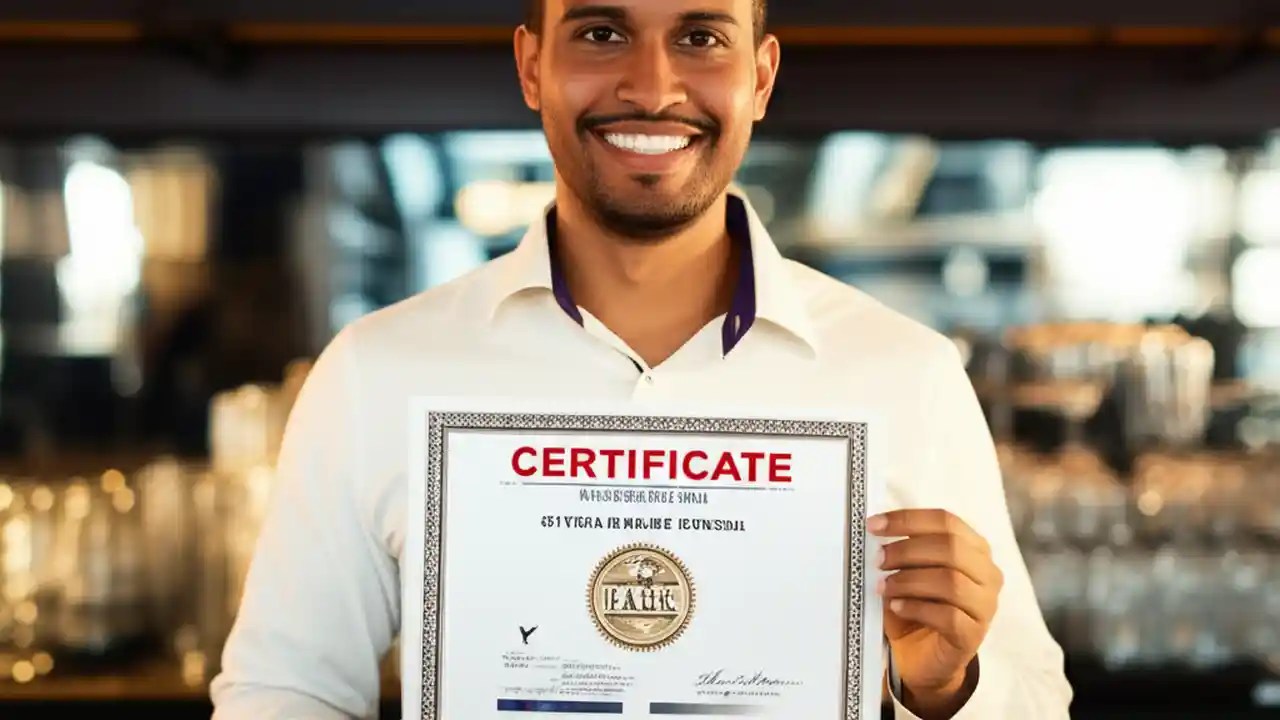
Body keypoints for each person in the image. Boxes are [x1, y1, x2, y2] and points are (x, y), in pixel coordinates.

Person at [210, 1, 1073, 718]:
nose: (653, 87)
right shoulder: (376, 373)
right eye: (600, 33)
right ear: (532, 66)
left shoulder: (905, 375)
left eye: (700, 38)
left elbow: (1036, 699)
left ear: (761, 76)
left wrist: (943, 687)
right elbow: (283, 695)